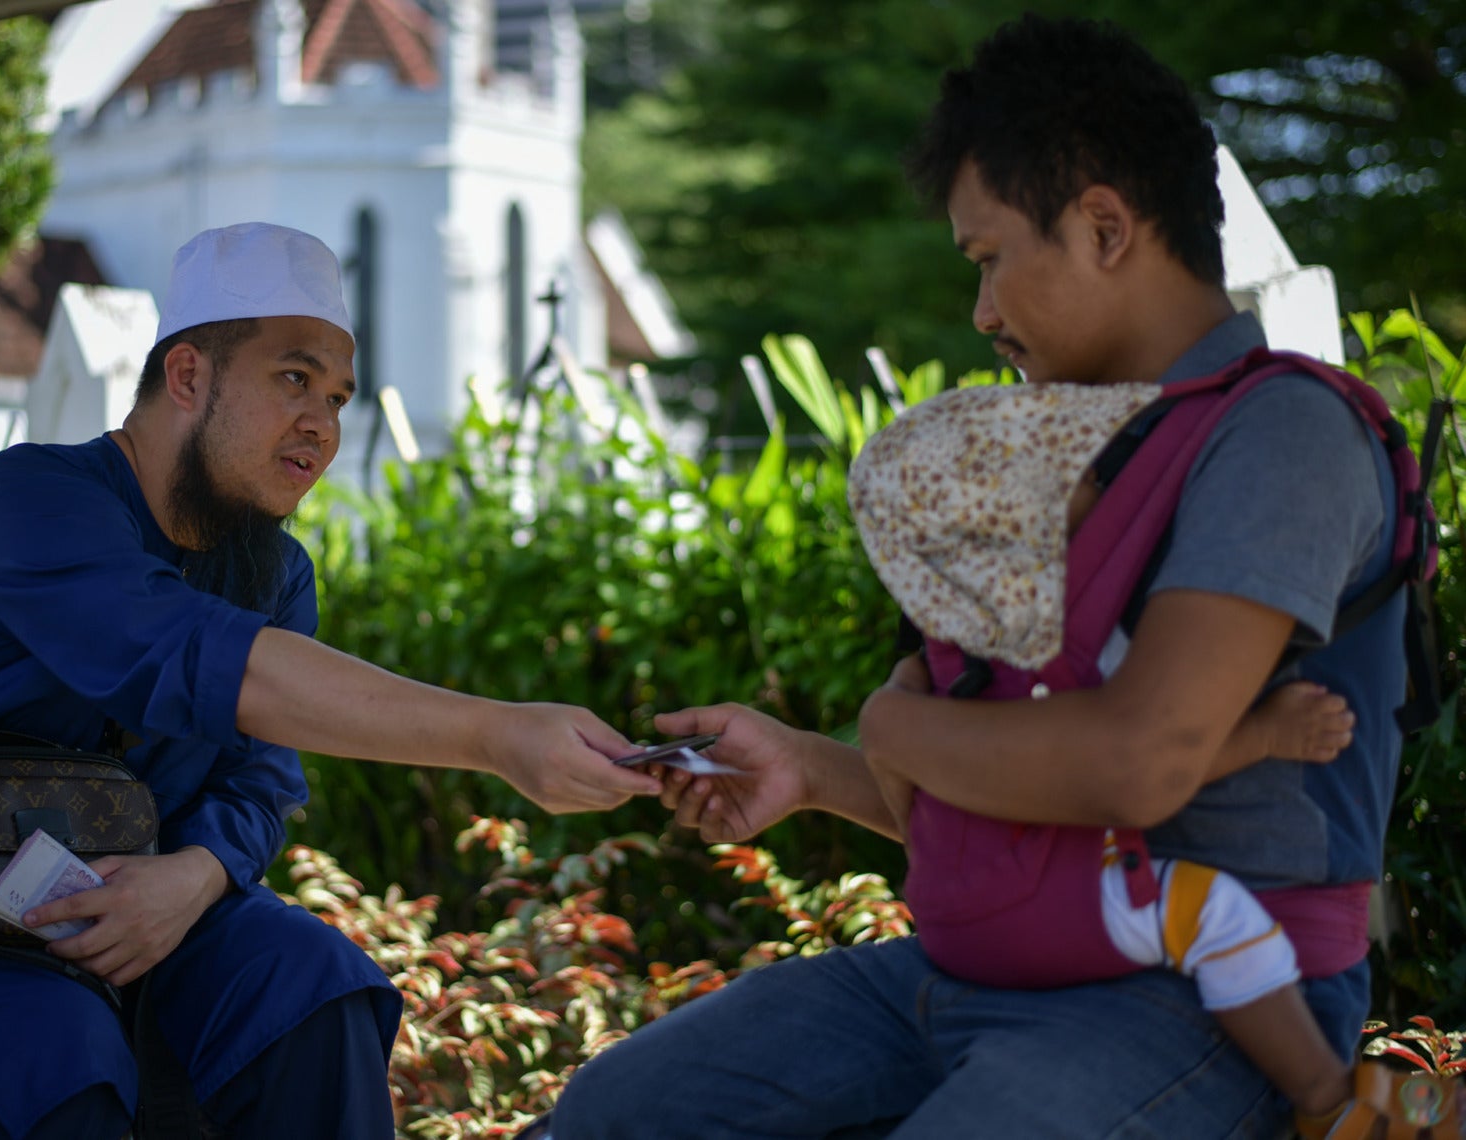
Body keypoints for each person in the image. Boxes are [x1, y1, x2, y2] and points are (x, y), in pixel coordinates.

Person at [544, 14, 1409, 1140]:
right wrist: (811, 769)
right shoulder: (1048, 454)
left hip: (1218, 993)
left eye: (989, 258)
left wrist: (889, 729)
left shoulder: (1281, 434)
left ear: (1104, 226)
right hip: (990, 963)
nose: (982, 313)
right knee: (619, 1110)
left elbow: (1134, 766)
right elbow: (1007, 802)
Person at [0, 221, 660, 1140]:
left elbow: (259, 780)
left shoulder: (274, 573)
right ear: (190, 377)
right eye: (294, 379)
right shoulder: (28, 504)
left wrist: (194, 877)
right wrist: (497, 734)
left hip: (139, 906)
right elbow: (189, 655)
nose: (321, 422)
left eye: (337, 395)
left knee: (312, 983)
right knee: (51, 1052)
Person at [848, 379, 1357, 1123]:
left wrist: (941, 845)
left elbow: (899, 772)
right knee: (1212, 918)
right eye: (1081, 474)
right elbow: (1140, 768)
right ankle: (1323, 1094)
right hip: (1052, 908)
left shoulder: (936, 655)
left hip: (946, 917)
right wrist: (1268, 735)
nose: (1099, 482)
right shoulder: (1084, 649)